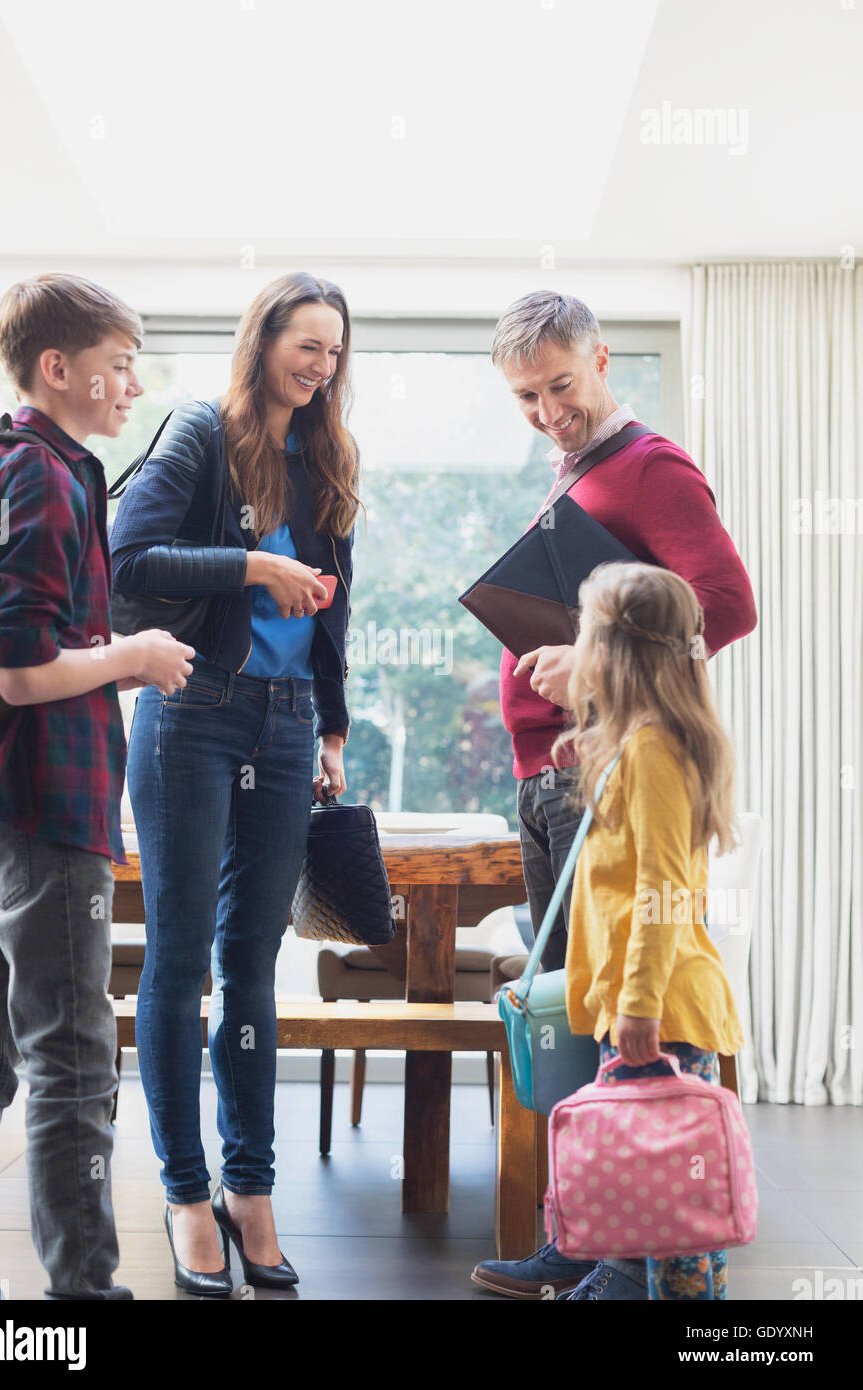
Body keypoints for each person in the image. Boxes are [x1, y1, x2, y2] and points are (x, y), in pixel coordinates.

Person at [472, 290, 757, 1300]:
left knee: (618, 1024)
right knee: (576, 1025)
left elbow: (721, 603)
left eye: (559, 385)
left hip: (601, 767)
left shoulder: (650, 465)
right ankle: (588, 1233)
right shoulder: (577, 469)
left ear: (600, 360)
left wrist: (596, 683)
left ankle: (642, 1259)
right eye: (524, 397)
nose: (547, 409)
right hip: (558, 774)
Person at [0, 272, 194, 1299]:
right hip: (49, 806)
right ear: (59, 368)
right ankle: (85, 1301)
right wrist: (133, 654)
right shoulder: (47, 473)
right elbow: (22, 669)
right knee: (74, 1064)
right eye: (118, 365)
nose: (132, 385)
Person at [108, 272, 359, 1294]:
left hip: (289, 720)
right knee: (177, 960)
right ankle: (185, 1192)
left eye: (335, 352)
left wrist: (333, 723)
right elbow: (130, 560)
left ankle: (251, 1190)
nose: (320, 365)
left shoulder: (330, 455)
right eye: (306, 344)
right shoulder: (201, 434)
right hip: (194, 708)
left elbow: (337, 606)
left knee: (251, 962)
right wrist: (253, 567)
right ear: (262, 340)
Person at [551, 560, 744, 1299]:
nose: (578, 644)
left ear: (615, 651)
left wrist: (637, 1005)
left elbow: (662, 890)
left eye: (585, 630)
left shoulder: (654, 752)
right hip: (645, 1007)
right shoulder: (638, 745)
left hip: (662, 1012)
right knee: (653, 1193)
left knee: (679, 1218)